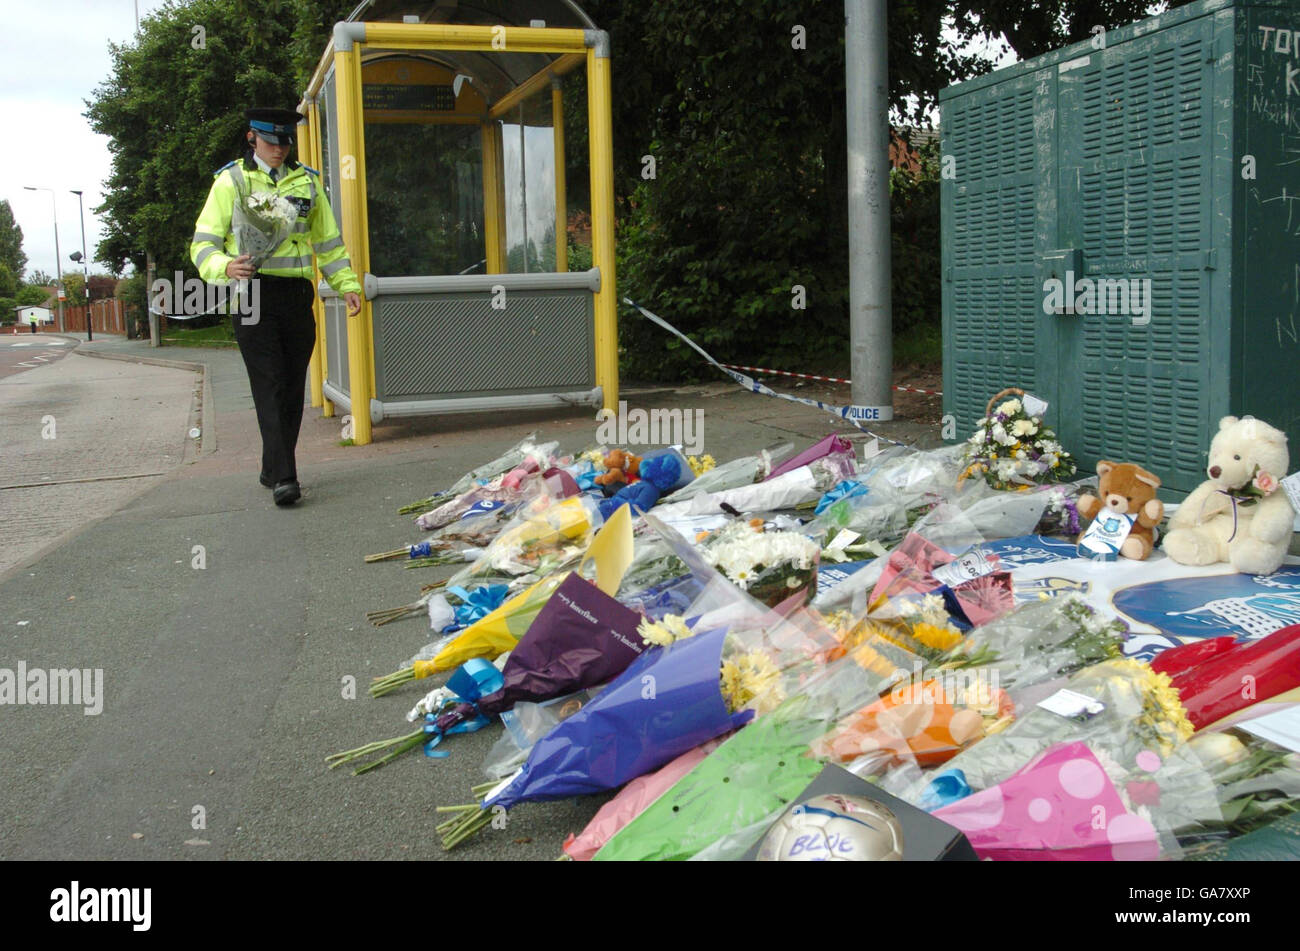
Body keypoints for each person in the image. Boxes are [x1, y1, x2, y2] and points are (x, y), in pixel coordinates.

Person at [190, 107, 362, 506]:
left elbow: (328, 243)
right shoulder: (230, 180)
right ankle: (286, 478)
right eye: (271, 142)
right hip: (250, 294)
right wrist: (224, 267)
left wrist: (347, 284)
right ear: (252, 138)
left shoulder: (308, 183)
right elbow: (202, 243)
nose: (279, 150)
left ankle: (271, 466)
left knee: (290, 387)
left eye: (285, 142)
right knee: (267, 384)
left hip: (296, 297)